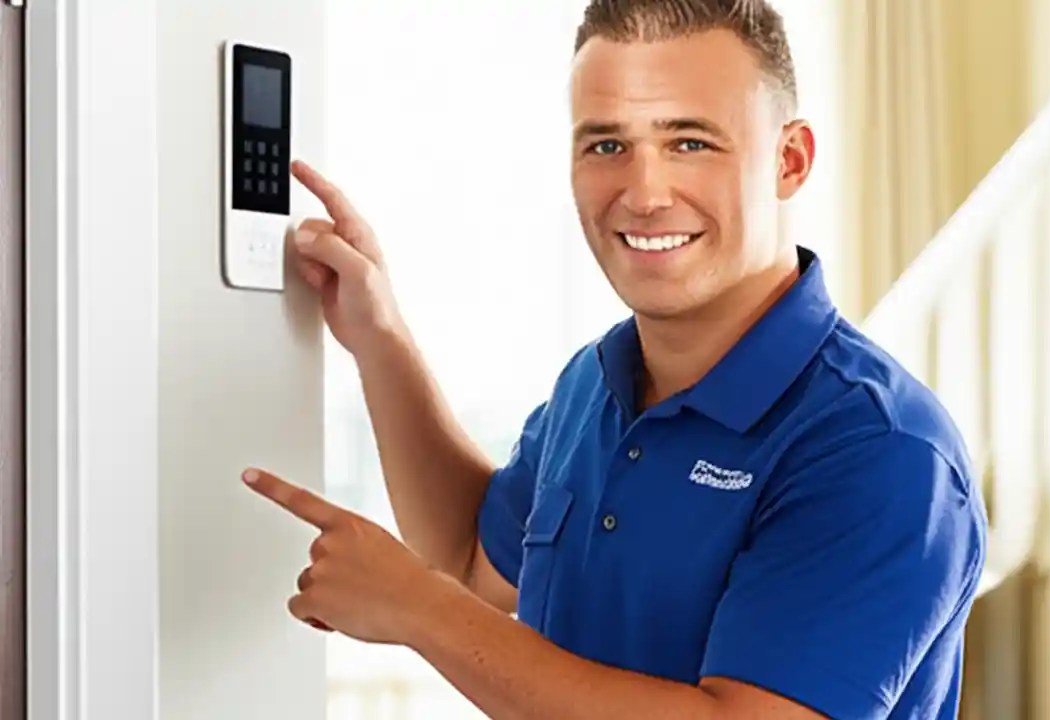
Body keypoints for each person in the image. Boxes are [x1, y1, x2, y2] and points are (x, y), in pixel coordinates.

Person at [243, 1, 988, 717]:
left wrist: (420, 613)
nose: (643, 192)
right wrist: (379, 335)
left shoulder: (881, 451)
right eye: (607, 145)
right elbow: (469, 561)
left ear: (789, 161)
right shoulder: (593, 386)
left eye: (688, 142)